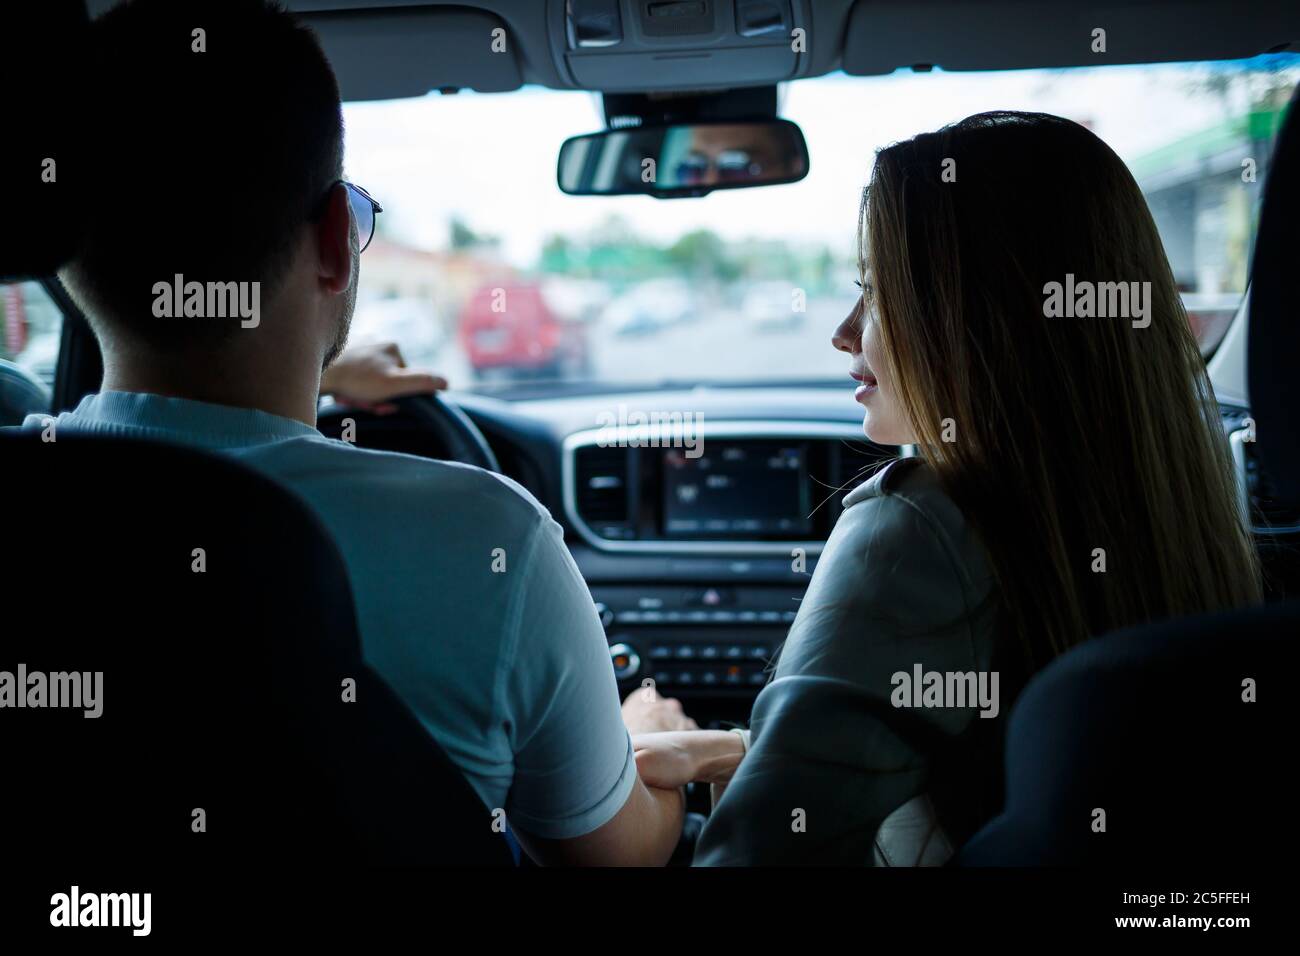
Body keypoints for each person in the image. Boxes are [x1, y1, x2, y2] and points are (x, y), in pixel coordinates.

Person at [12, 0, 694, 866]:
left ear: (67, 260)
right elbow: (613, 859)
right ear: (339, 239)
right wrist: (648, 752)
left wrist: (313, 372)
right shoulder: (487, 538)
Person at [632, 111, 1263, 865]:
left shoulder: (919, 522)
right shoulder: (1190, 500)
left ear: (977, 315)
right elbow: (1035, 754)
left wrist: (640, 757)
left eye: (878, 288)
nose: (844, 329)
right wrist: (740, 749)